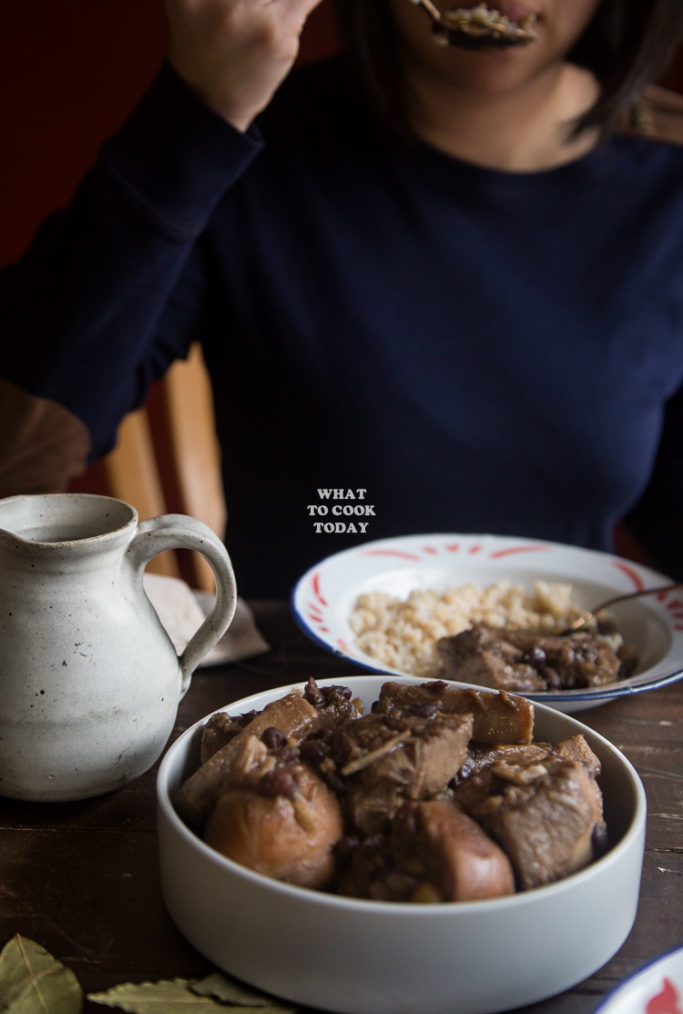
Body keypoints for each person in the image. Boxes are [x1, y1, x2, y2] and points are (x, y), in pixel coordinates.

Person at [1, 0, 682, 597]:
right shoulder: (240, 144)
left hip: (573, 710)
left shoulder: (665, 185)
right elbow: (15, 451)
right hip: (296, 706)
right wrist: (196, 113)